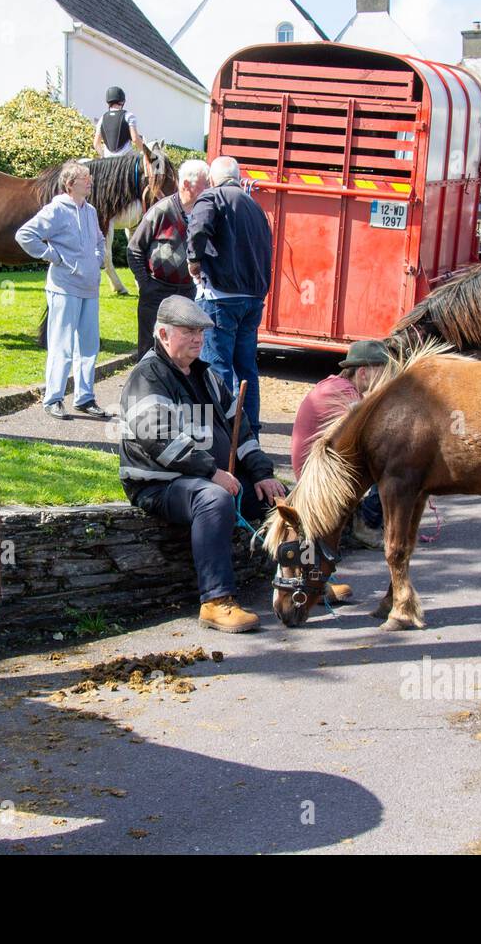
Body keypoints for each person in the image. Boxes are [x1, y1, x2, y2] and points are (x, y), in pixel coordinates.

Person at [117, 296, 289, 632]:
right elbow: (159, 441)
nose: (198, 338)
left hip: (208, 477)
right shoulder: (147, 377)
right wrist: (212, 472)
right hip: (159, 484)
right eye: (188, 331)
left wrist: (262, 474)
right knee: (213, 499)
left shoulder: (207, 376)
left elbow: (243, 431)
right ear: (164, 335)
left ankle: (303, 583)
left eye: (200, 332)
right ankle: (215, 601)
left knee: (288, 500)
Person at [187, 155, 273, 435]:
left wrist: (194, 260)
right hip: (252, 298)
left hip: (220, 297)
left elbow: (198, 228)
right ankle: (250, 433)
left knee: (217, 367)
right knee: (247, 369)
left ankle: (221, 435)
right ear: (237, 177)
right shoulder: (256, 208)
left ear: (213, 179)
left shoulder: (211, 197)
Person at [16, 161, 108, 420]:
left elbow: (99, 239)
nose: (90, 182)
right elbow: (25, 235)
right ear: (70, 185)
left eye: (89, 178)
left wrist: (98, 257)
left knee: (89, 345)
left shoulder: (90, 210)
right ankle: (53, 398)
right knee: (62, 345)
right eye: (85, 178)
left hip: (90, 287)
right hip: (64, 287)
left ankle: (85, 397)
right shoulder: (55, 209)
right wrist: (52, 256)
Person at [291, 340, 389, 550]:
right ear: (363, 372)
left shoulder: (336, 386)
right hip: (317, 482)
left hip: (316, 474)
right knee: (391, 459)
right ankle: (367, 525)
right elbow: (370, 439)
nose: (386, 378)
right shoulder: (344, 393)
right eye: (381, 371)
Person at [126, 159, 209, 358]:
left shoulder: (205, 212)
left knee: (182, 351)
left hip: (187, 292)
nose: (209, 187)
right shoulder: (162, 210)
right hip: (157, 291)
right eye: (205, 183)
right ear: (186, 185)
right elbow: (134, 248)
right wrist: (145, 284)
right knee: (150, 349)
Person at [93, 86, 142, 157]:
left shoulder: (102, 118)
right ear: (122, 102)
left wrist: (103, 157)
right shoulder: (129, 116)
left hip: (109, 160)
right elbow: (135, 139)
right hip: (126, 158)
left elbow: (96, 144)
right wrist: (145, 151)